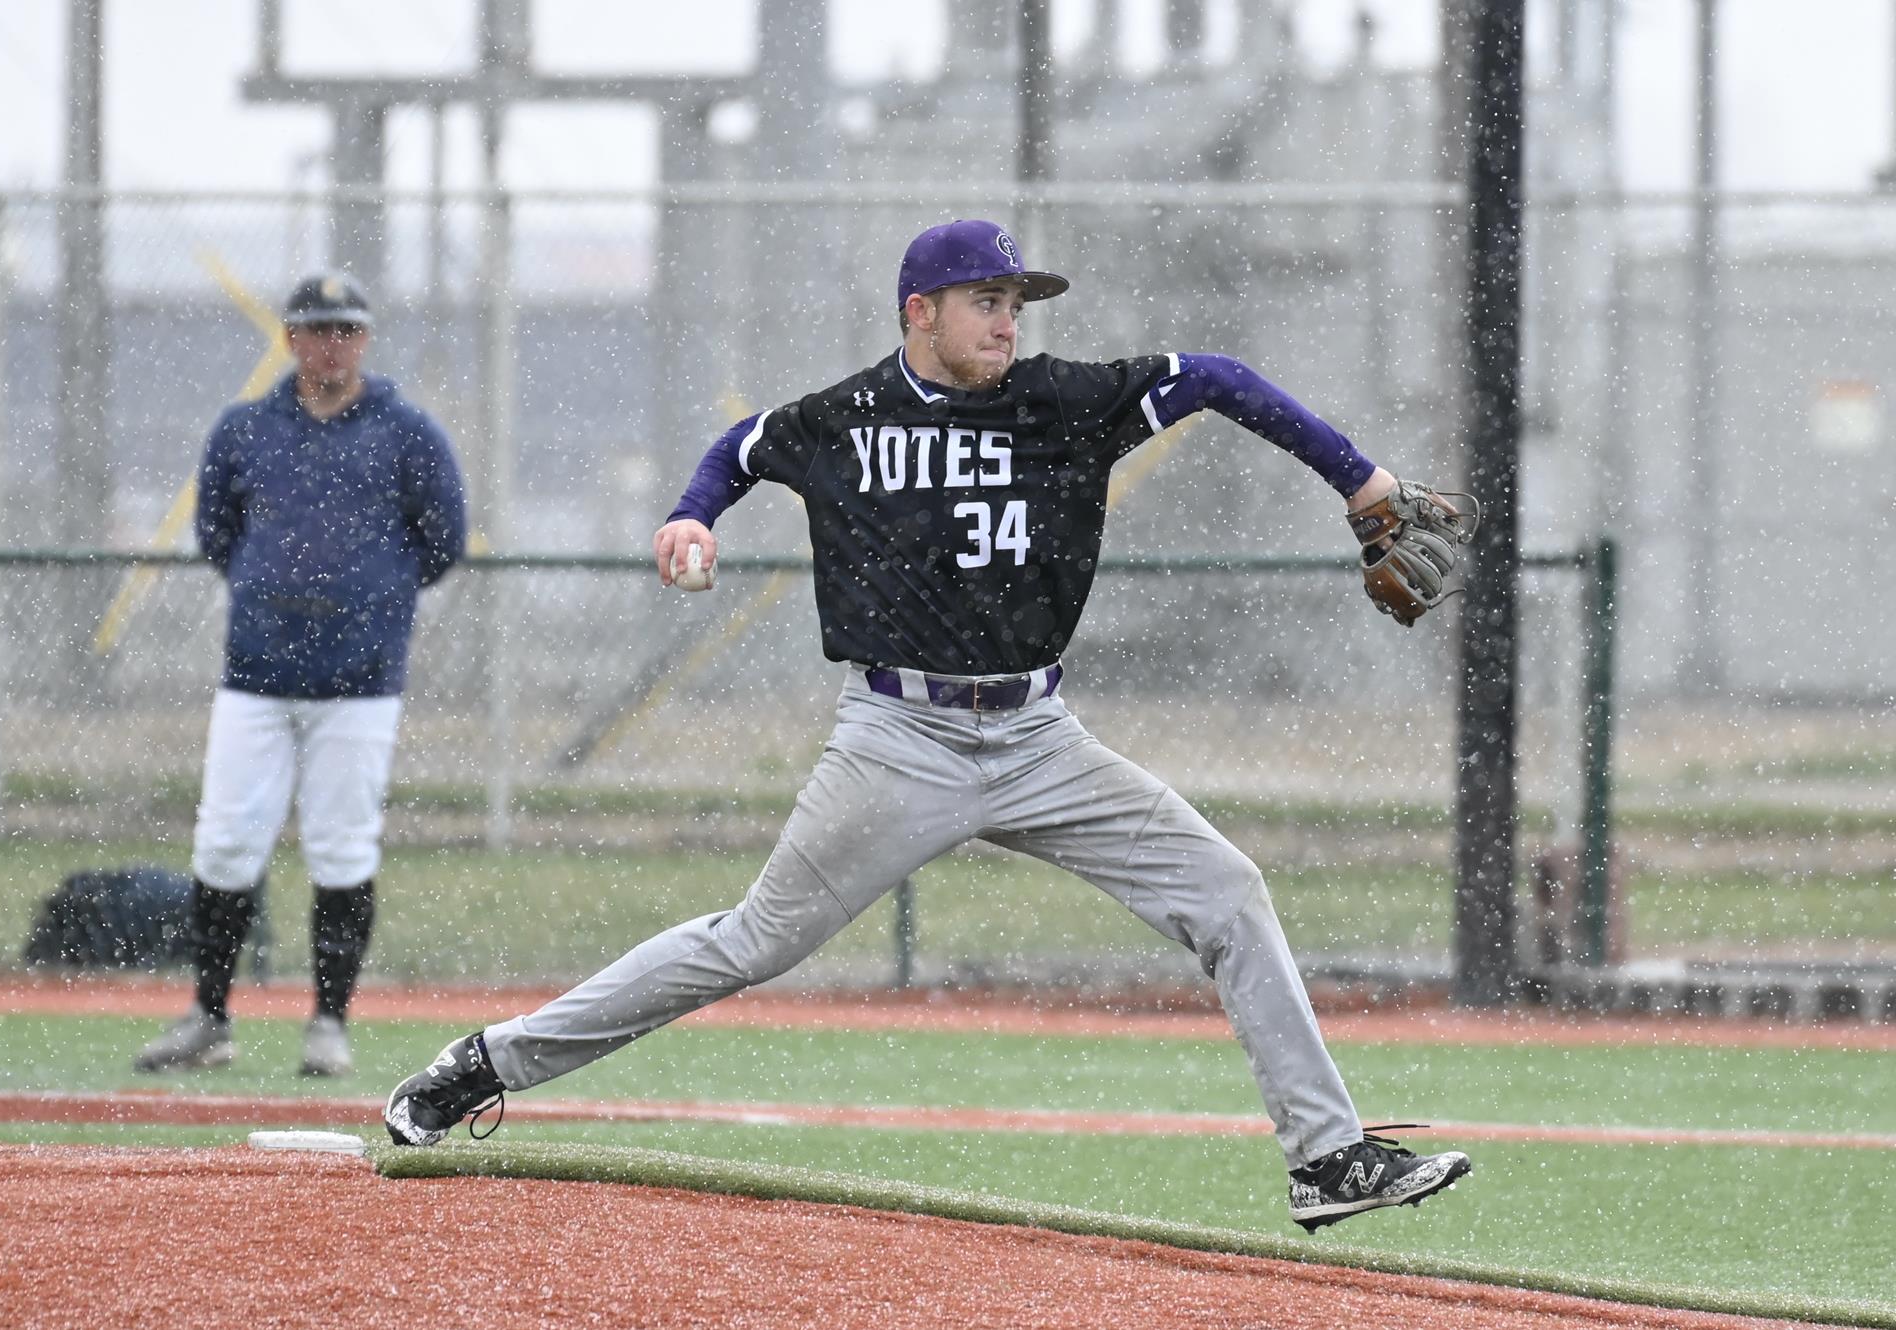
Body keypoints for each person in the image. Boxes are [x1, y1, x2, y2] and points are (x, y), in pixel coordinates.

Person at [383, 220, 1472, 1231]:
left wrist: (1361, 481)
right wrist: (688, 515)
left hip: (1042, 739)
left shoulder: (1062, 401)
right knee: (748, 943)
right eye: (983, 300)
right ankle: (485, 1064)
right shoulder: (844, 421)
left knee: (1226, 890)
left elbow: (1221, 379)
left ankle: (1323, 1161)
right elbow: (739, 446)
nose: (1006, 322)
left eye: (1013, 302)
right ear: (918, 311)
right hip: (896, 740)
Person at [136, 272, 467, 1078]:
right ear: (291, 337)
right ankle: (210, 1015)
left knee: (342, 843)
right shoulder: (247, 429)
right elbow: (219, 532)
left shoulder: (406, 433)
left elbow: (443, 537)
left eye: (347, 329)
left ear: (366, 339)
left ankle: (328, 1021)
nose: (332, 344)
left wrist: (367, 599)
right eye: (317, 328)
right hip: (256, 674)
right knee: (225, 840)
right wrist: (274, 594)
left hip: (359, 682)